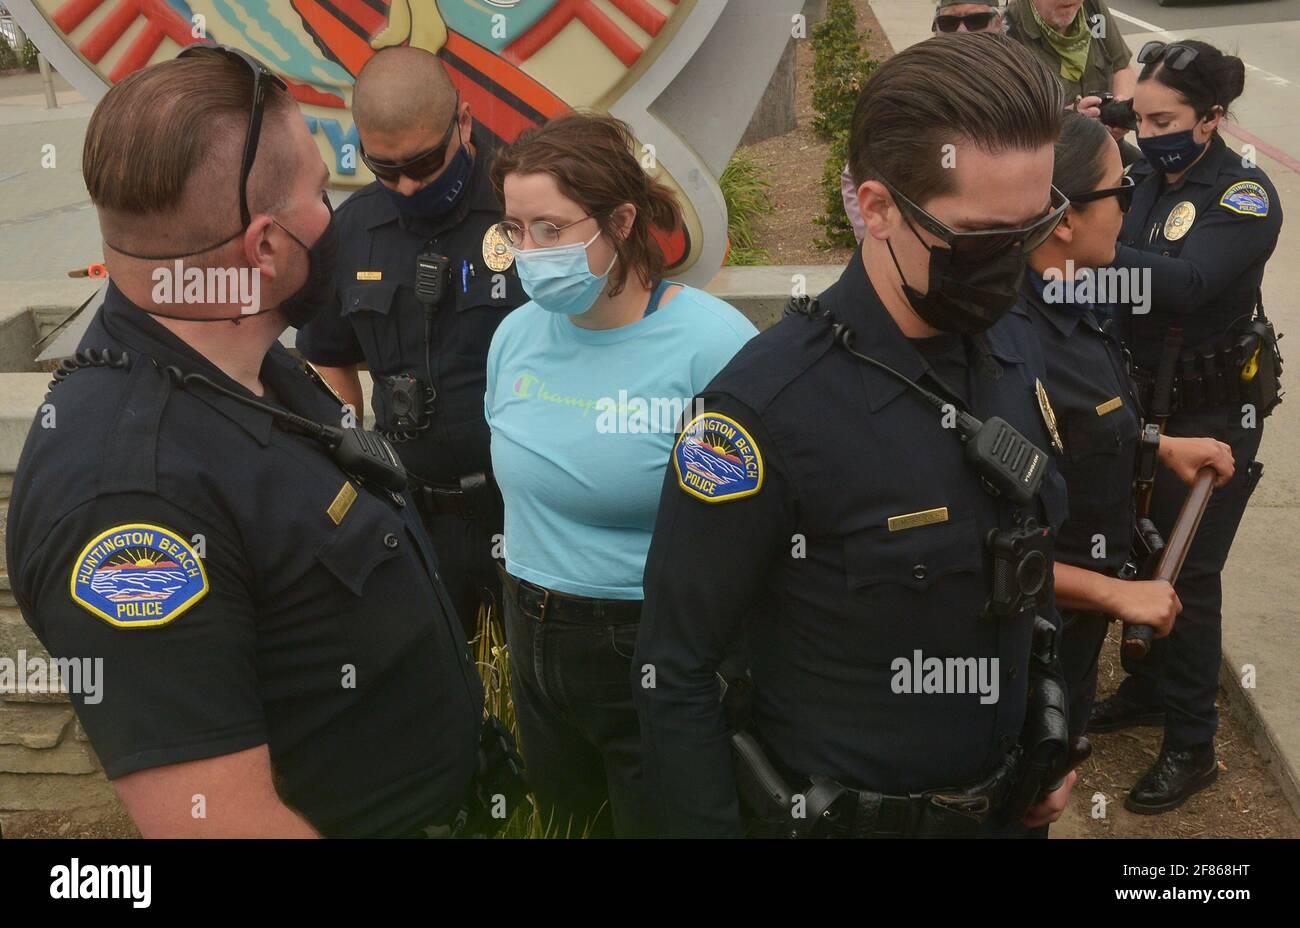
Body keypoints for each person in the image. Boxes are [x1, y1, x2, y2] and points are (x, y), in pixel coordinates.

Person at [5, 47, 483, 837]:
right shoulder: (130, 501)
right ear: (264, 247)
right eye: (321, 195)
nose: (338, 217)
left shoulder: (251, 363)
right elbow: (220, 825)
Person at [635, 33, 1078, 838]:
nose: (1015, 263)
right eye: (981, 239)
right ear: (875, 208)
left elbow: (1026, 572)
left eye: (1034, 226)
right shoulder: (755, 416)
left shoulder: (1012, 342)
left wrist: (1048, 731)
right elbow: (676, 668)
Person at [485, 112, 756, 837]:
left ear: (621, 218)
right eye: (514, 229)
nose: (528, 251)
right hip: (532, 630)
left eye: (551, 229)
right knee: (571, 825)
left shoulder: (710, 343)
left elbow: (757, 525)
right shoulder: (514, 336)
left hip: (647, 646)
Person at [1089, 40, 1283, 814]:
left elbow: (1191, 281)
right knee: (1134, 556)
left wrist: (1090, 257)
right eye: (1138, 117)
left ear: (1211, 118)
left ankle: (1193, 742)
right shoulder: (1138, 176)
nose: (1147, 131)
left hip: (1213, 413)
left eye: (1164, 119)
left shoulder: (1243, 196)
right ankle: (1147, 687)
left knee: (1185, 572)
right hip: (1136, 401)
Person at [296, 46, 527, 640]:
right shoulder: (353, 229)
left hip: (527, 513)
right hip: (414, 516)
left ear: (465, 122)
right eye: (385, 168)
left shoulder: (526, 210)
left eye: (425, 164)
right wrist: (347, 458)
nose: (406, 184)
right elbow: (326, 354)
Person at [1020, 111, 1235, 748]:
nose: (1130, 205)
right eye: (1122, 190)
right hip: (1031, 638)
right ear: (1064, 218)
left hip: (1075, 624)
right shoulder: (1011, 346)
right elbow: (978, 543)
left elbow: (1072, 434)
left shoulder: (1070, 296)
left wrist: (1156, 444)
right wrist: (1114, 594)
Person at [841, 0, 1005, 242]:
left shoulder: (1020, 80)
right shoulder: (909, 86)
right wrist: (880, 249)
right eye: (949, 22)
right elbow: (855, 175)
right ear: (936, 27)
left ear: (998, 23)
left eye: (975, 21)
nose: (962, 31)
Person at [1005, 0, 1137, 154]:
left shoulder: (1091, 7)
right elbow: (1007, 122)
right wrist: (1068, 119)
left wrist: (1120, 111)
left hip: (1106, 147)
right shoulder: (1008, 30)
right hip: (1051, 157)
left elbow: (1122, 67)